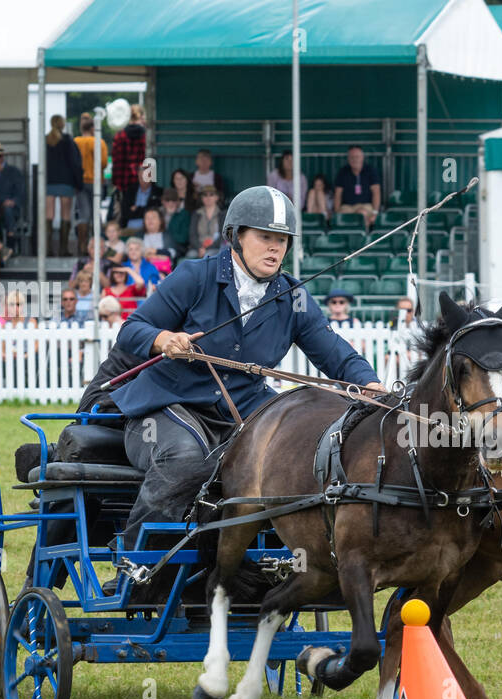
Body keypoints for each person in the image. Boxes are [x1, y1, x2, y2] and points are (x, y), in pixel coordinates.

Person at [104, 184, 382, 549]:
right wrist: (164, 340)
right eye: (265, 237)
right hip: (166, 407)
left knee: (295, 454)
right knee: (187, 459)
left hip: (243, 411)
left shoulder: (294, 297)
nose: (275, 247)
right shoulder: (195, 276)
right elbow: (131, 329)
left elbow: (336, 354)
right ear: (235, 236)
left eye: (282, 240)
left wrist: (370, 384)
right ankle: (134, 556)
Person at [45, 115, 83, 257]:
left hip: (49, 181)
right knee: (65, 215)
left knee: (49, 215)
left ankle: (47, 249)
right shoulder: (68, 141)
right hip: (66, 182)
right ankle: (63, 249)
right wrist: (78, 183)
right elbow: (75, 163)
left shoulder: (46, 140)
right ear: (62, 125)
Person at [73, 113, 108, 256]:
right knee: (96, 214)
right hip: (96, 182)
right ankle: (97, 247)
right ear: (93, 128)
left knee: (83, 214)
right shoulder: (99, 142)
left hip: (80, 182)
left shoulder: (75, 141)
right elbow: (104, 163)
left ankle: (82, 246)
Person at [332, 146, 381, 228]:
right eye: (352, 157)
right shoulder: (343, 172)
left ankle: (363, 238)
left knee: (361, 213)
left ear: (362, 158)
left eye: (357, 157)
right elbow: (338, 194)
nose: (354, 159)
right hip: (347, 207)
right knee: (341, 216)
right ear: (348, 159)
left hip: (365, 206)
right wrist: (337, 213)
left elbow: (376, 192)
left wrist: (375, 213)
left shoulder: (370, 170)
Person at [110, 104, 149, 198]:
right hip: (143, 183)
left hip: (124, 183)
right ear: (142, 116)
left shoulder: (119, 136)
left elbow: (116, 163)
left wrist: (116, 183)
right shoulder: (147, 137)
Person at [187, 185, 222, 258]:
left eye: (211, 194)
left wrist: (207, 249)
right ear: (202, 198)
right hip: (198, 248)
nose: (208, 197)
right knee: (190, 255)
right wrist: (200, 248)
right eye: (205, 195)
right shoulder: (196, 214)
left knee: (209, 254)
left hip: (216, 248)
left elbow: (223, 236)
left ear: (217, 197)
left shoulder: (221, 214)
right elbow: (192, 235)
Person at [161, 188, 190, 257]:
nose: (170, 203)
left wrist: (171, 216)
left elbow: (183, 238)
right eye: (167, 200)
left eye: (173, 200)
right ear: (162, 201)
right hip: (158, 244)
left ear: (178, 202)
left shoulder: (184, 214)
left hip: (177, 247)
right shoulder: (158, 213)